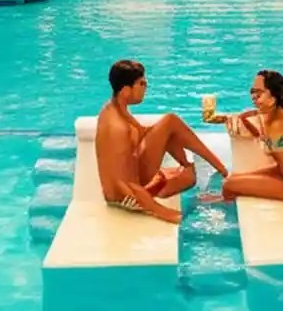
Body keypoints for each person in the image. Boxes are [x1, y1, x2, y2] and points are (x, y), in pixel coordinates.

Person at [95, 59, 229, 224]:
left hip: (136, 176)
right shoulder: (117, 127)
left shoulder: (116, 108)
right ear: (125, 90)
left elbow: (145, 134)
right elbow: (122, 182)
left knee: (186, 169)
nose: (146, 87)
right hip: (123, 194)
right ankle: (218, 169)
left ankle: (215, 167)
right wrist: (161, 211)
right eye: (142, 84)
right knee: (171, 126)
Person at [205, 70, 283, 202]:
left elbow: (270, 140)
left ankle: (227, 208)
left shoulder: (278, 127)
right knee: (232, 179)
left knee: (229, 185)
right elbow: (253, 118)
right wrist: (241, 118)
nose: (253, 97)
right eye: (252, 92)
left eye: (259, 94)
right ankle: (230, 199)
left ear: (273, 98)